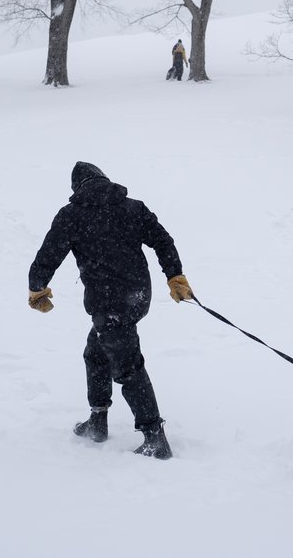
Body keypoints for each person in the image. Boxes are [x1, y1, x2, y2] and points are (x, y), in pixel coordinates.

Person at [28, 161, 194, 459]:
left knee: (128, 367)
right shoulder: (131, 207)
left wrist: (37, 286)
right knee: (96, 352)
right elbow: (162, 240)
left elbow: (49, 253)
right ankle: (98, 419)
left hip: (108, 302)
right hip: (138, 297)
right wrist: (174, 275)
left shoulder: (72, 215)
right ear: (104, 179)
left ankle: (155, 439)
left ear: (77, 188)